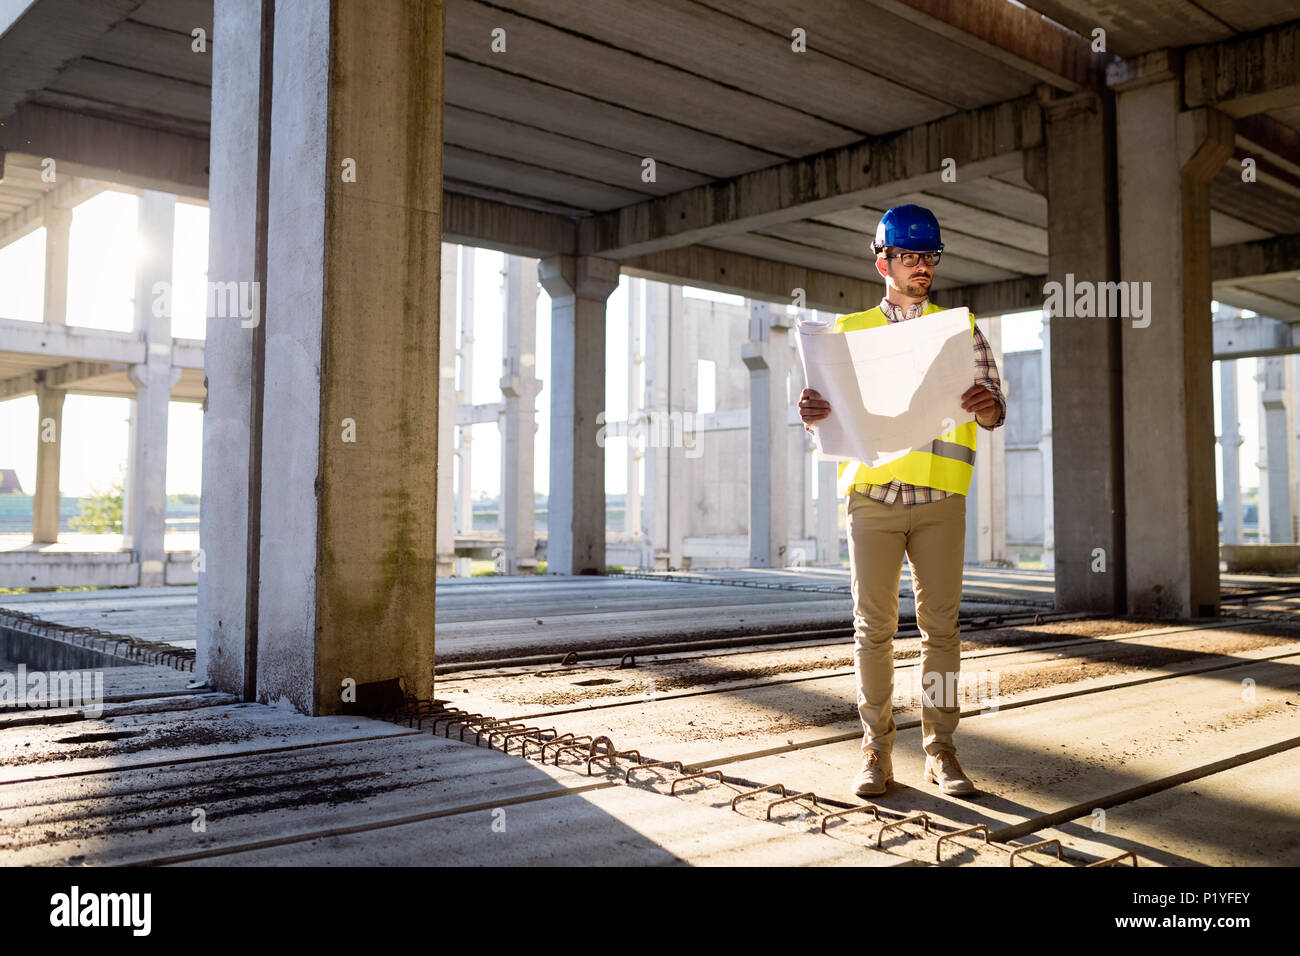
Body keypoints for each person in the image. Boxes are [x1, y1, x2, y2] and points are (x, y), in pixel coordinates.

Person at [796, 204, 1006, 798]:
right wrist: (809, 414)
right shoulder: (847, 332)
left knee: (941, 632)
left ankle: (941, 752)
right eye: (911, 257)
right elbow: (824, 417)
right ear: (882, 260)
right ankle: (876, 749)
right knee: (874, 631)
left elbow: (993, 408)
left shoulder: (960, 329)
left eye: (930, 258)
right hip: (873, 499)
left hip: (941, 498)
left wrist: (989, 407)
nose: (923, 268)